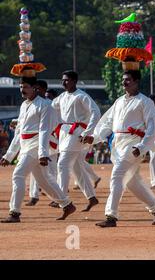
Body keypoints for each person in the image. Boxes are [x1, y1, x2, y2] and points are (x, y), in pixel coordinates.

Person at [93, 70, 155, 228]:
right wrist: (95, 137)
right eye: (123, 80)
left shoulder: (145, 102)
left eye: (128, 80)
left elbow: (152, 128)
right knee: (131, 182)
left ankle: (111, 216)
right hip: (117, 143)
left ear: (137, 81)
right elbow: (107, 122)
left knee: (117, 174)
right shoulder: (119, 101)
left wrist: (142, 146)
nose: (124, 83)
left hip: (133, 144)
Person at [1, 75, 76, 223]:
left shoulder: (45, 105)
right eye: (21, 87)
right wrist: (9, 155)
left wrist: (43, 153)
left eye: (26, 87)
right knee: (43, 181)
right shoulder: (24, 105)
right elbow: (19, 132)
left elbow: (44, 130)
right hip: (26, 145)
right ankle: (67, 204)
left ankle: (14, 213)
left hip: (36, 146)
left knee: (18, 175)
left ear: (35, 87)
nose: (23, 90)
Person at [51, 70, 100, 211]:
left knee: (62, 164)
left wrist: (87, 131)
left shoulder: (81, 96)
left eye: (66, 80)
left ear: (74, 81)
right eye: (62, 80)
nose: (63, 82)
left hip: (76, 134)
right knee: (77, 168)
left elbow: (96, 112)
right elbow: (49, 107)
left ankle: (61, 198)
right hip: (65, 133)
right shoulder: (62, 96)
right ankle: (91, 197)